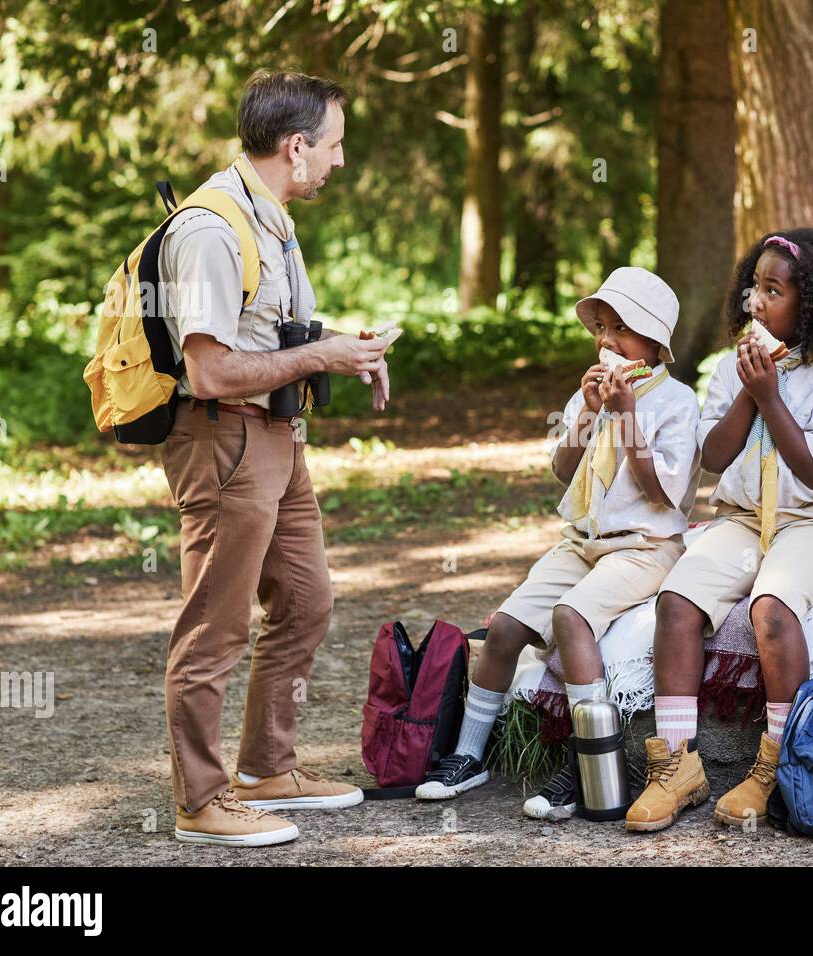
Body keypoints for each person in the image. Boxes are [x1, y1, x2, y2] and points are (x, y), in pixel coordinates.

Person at [161, 70, 389, 848]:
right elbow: (211, 371)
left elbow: (277, 334)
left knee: (306, 599)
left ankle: (267, 767)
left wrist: (342, 351)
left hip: (278, 440)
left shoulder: (274, 220)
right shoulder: (210, 231)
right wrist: (316, 356)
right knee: (215, 626)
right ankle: (201, 799)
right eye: (334, 146)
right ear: (296, 147)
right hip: (224, 439)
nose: (340, 161)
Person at [415, 268, 701, 822]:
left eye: (622, 329)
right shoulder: (587, 394)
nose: (606, 341)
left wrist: (628, 418)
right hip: (582, 540)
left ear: (655, 343)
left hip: (645, 545)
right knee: (502, 629)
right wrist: (591, 414)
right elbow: (563, 470)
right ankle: (469, 755)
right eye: (601, 328)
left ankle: (591, 758)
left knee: (572, 618)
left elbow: (661, 493)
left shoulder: (677, 402)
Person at [625, 228, 813, 833]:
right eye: (752, 289)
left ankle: (774, 762)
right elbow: (712, 456)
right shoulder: (730, 367)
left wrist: (771, 396)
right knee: (678, 602)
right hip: (740, 520)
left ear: (811, 303)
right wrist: (749, 390)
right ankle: (677, 765)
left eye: (773, 290)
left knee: (773, 607)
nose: (755, 303)